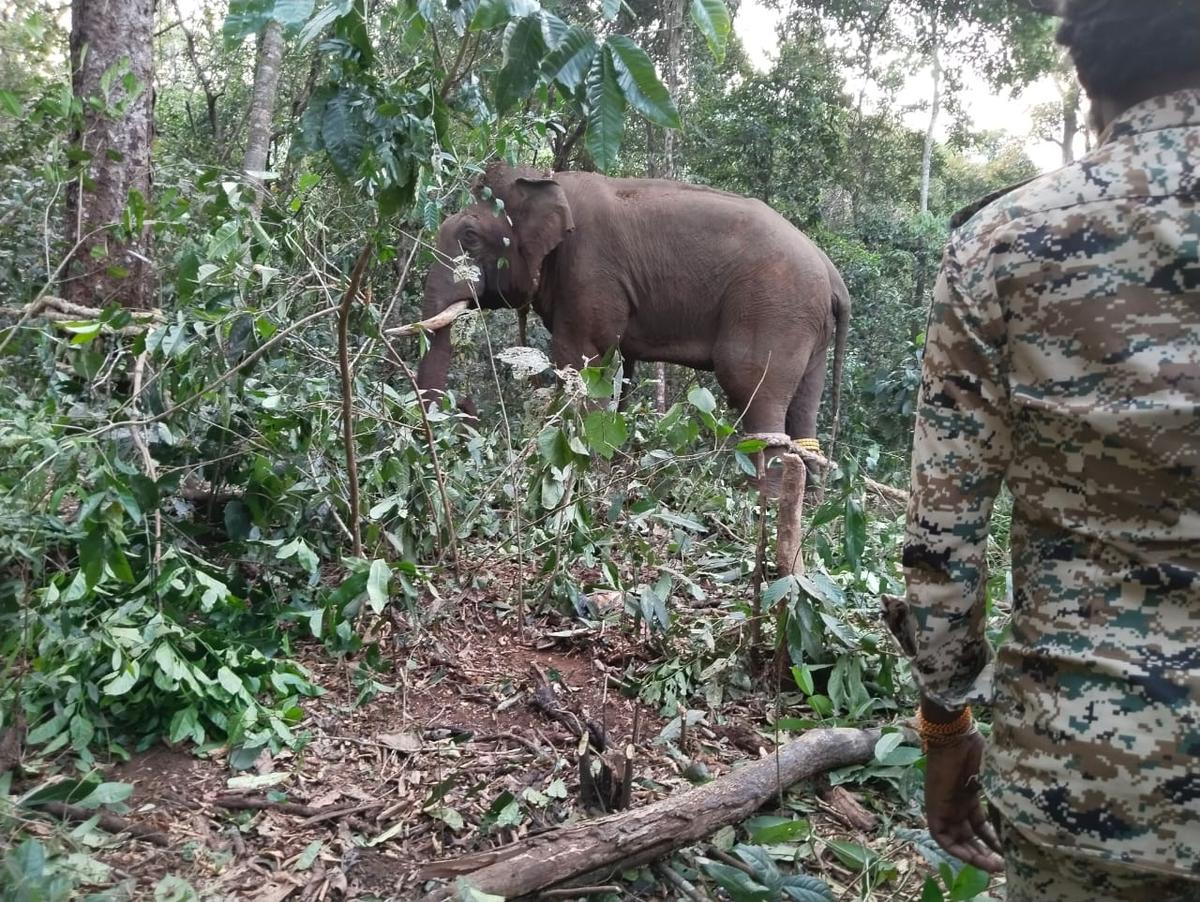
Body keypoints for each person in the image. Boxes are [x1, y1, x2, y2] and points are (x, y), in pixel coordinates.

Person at [884, 1, 1200, 900]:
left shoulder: (1003, 244)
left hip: (1086, 783)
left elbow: (942, 543)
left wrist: (947, 731)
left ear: (1087, 75)